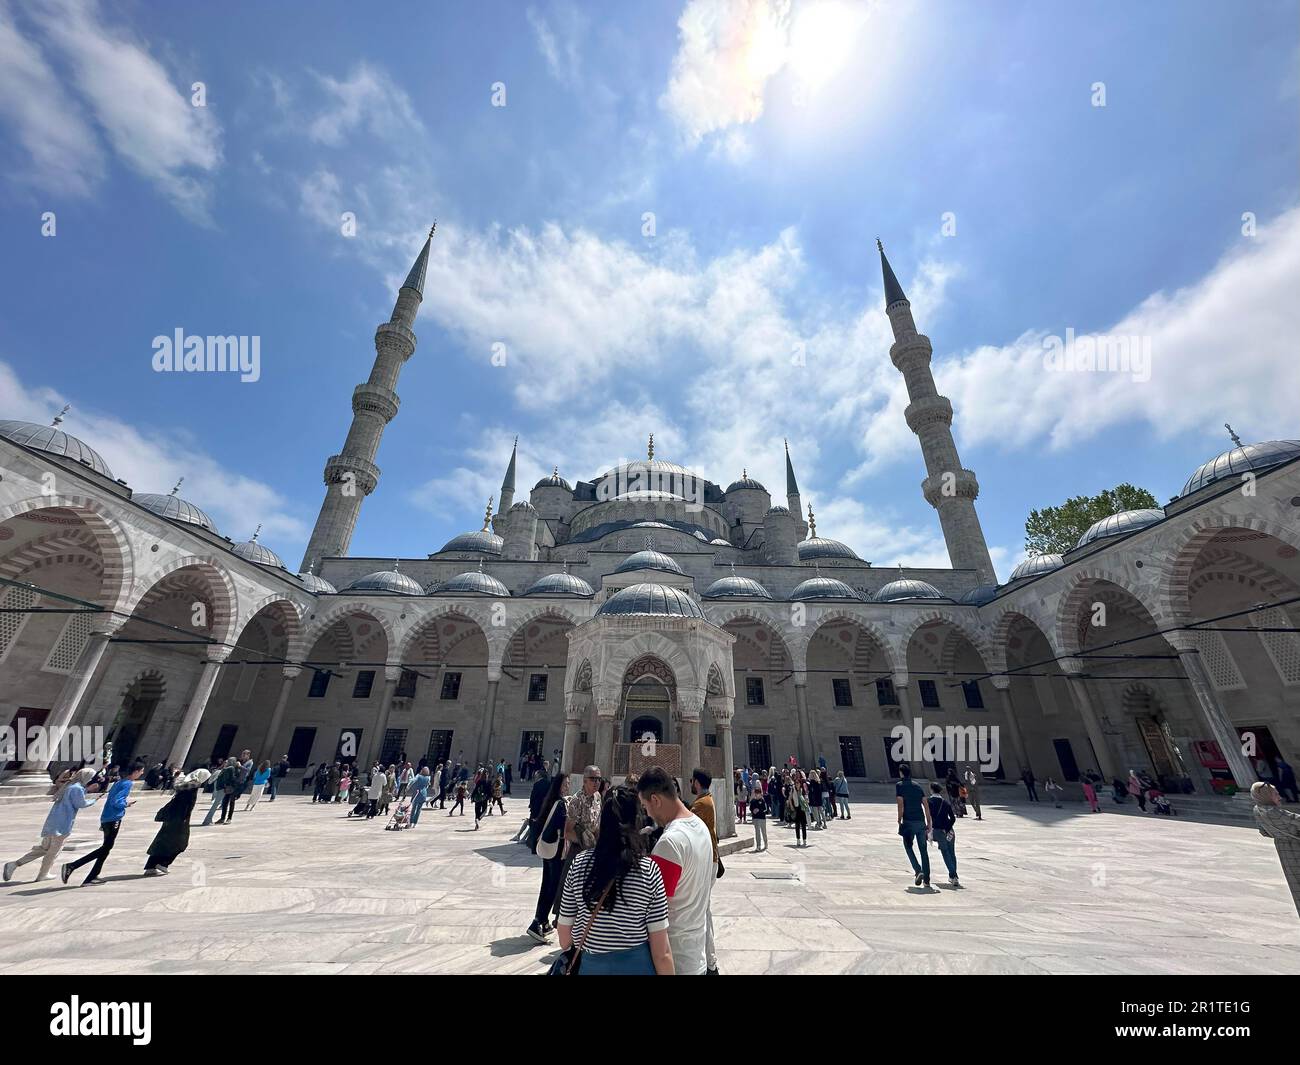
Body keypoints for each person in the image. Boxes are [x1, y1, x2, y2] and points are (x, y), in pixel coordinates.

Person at [556, 786, 673, 975]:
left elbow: (564, 939)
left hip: (591, 967)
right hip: (638, 967)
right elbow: (662, 953)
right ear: (637, 821)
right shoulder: (648, 870)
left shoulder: (579, 864)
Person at [637, 767, 712, 975]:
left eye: (645, 806)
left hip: (673, 961)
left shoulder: (669, 843)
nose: (648, 813)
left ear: (656, 800)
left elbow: (653, 910)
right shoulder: (700, 827)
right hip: (696, 955)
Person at [4, 767, 99, 884]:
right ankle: (42, 874)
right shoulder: (77, 788)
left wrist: (86, 790)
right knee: (54, 851)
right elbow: (80, 803)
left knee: (44, 849)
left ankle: (14, 864)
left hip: (53, 822)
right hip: (62, 824)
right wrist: (94, 800)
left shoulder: (70, 786)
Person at [62, 760, 144, 886]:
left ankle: (92, 876)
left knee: (106, 849)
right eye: (141, 771)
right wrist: (125, 804)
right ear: (136, 771)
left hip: (107, 818)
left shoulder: (119, 782)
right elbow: (116, 801)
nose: (142, 773)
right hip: (114, 818)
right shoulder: (127, 784)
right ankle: (72, 865)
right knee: (106, 848)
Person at [526, 772, 570, 944]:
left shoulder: (551, 801)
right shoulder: (559, 804)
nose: (567, 786)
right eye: (565, 783)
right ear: (559, 785)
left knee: (546, 885)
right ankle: (538, 922)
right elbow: (561, 825)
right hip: (555, 850)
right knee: (552, 887)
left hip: (547, 849)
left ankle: (541, 920)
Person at [144, 768, 210, 875]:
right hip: (180, 818)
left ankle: (151, 866)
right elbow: (186, 802)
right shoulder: (193, 785)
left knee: (163, 841)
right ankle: (163, 863)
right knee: (180, 843)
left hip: (172, 816)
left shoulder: (186, 783)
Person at [688, 768, 721, 976]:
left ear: (697, 782)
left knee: (702, 911)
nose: (690, 783)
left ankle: (710, 962)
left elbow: (685, 824)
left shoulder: (701, 804)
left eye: (692, 781)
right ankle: (708, 960)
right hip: (710, 859)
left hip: (707, 860)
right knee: (703, 910)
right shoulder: (707, 800)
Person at [1252, 781, 1300, 917]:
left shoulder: (1257, 809)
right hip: (1295, 846)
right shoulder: (1274, 812)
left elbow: (1263, 832)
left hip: (1282, 848)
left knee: (1296, 883)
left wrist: (1279, 834)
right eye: (1275, 794)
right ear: (1267, 796)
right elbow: (1296, 820)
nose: (1279, 796)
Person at [896, 763, 932, 888]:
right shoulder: (917, 786)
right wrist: (929, 823)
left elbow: (901, 804)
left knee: (908, 846)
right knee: (923, 850)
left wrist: (899, 818)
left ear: (901, 773)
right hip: (921, 821)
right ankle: (927, 880)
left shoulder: (899, 785)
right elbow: (925, 805)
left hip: (908, 821)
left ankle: (918, 870)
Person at [927, 782, 960, 887]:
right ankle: (953, 876)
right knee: (951, 853)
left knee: (945, 853)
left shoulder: (929, 801)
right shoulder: (945, 802)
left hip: (938, 831)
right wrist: (948, 828)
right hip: (950, 831)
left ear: (932, 790)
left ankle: (954, 876)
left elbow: (929, 818)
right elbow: (953, 818)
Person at [788, 772, 809, 847]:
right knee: (797, 825)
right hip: (796, 808)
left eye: (798, 783)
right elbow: (790, 798)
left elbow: (806, 797)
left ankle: (804, 839)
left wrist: (806, 802)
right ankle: (798, 840)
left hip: (802, 808)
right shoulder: (793, 789)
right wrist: (791, 806)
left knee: (803, 825)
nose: (797, 784)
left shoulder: (802, 790)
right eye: (796, 783)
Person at [749, 783, 769, 852]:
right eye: (756, 793)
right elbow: (750, 808)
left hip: (762, 818)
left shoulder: (762, 800)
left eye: (758, 793)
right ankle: (758, 845)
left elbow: (765, 809)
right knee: (757, 832)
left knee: (763, 831)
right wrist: (753, 811)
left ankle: (766, 843)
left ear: (760, 794)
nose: (757, 795)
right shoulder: (753, 801)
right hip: (756, 818)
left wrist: (759, 810)